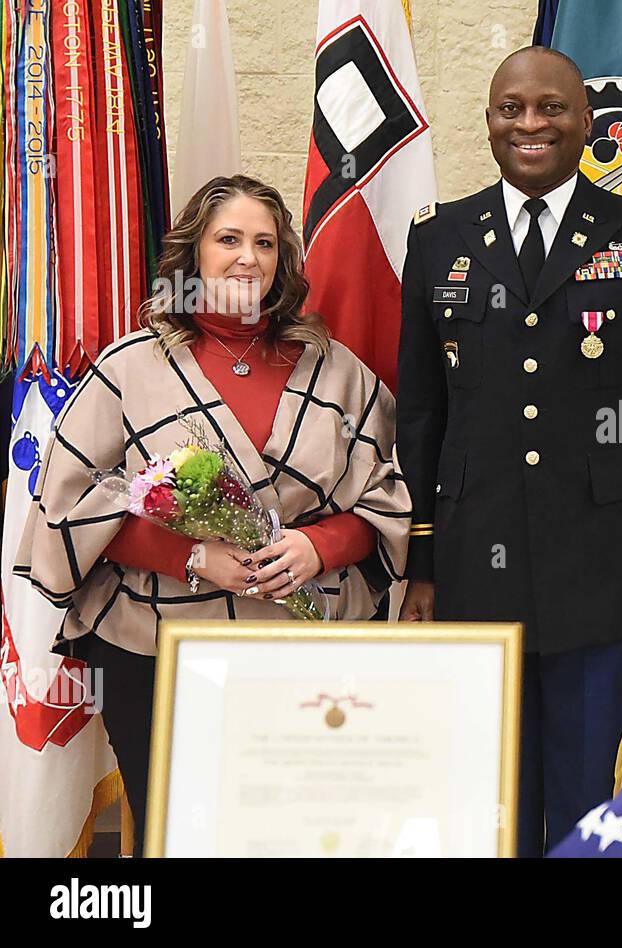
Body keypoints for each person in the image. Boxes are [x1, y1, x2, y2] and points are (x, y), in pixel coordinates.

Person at [13, 174, 410, 855]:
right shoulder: (127, 369)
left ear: (285, 262)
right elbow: (65, 507)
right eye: (228, 240)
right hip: (157, 650)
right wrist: (191, 556)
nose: (248, 258)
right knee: (182, 831)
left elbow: (388, 497)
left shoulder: (339, 370)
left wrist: (322, 546)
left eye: (265, 243)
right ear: (192, 256)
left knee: (302, 834)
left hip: (307, 648)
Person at [396, 46, 622, 856]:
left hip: (599, 571)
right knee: (490, 792)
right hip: (469, 564)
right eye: (512, 109)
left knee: (581, 795)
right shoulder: (440, 238)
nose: (530, 124)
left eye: (550, 109)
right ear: (491, 121)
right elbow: (425, 416)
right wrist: (422, 564)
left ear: (587, 124)